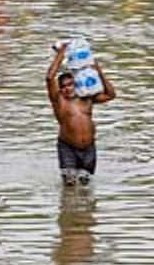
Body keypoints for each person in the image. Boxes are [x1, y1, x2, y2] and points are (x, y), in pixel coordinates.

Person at [46, 44, 114, 186]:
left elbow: (111, 95)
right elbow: (49, 77)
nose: (67, 89)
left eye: (70, 84)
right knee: (69, 183)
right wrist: (61, 53)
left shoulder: (86, 97)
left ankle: (85, 208)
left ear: (76, 84)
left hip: (89, 147)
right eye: (63, 86)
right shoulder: (59, 101)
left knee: (85, 184)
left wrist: (98, 71)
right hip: (67, 147)